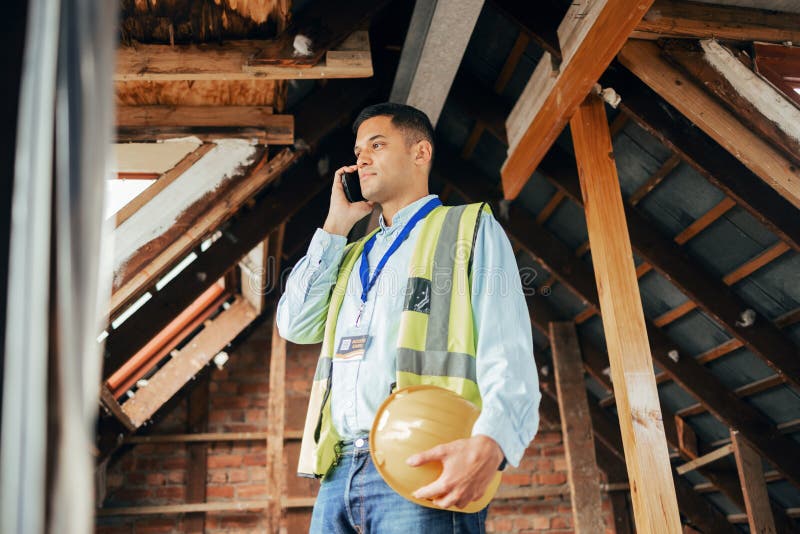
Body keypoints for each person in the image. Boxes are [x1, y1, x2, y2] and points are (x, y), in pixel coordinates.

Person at [276, 102, 540, 533]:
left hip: (425, 461)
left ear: (421, 154)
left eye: (376, 145)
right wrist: (334, 227)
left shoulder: (468, 228)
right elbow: (294, 323)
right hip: (338, 474)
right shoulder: (350, 254)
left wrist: (493, 443)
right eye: (358, 149)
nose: (361, 158)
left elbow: (506, 348)